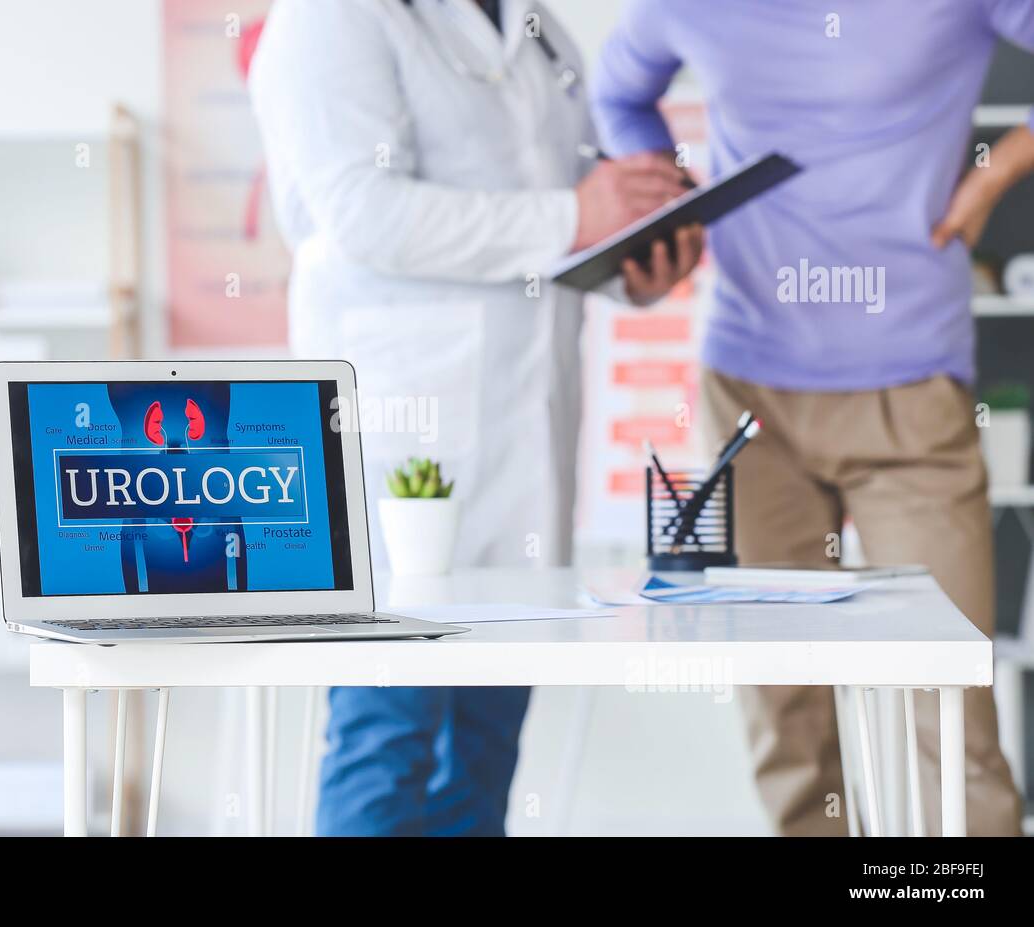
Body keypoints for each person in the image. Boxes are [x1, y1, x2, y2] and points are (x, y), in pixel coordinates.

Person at [250, 0, 702, 836]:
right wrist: (577, 216)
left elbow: (551, 217)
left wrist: (633, 261)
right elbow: (357, 207)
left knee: (489, 744)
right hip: (399, 433)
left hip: (527, 442)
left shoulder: (537, 29)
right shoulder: (333, 17)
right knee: (388, 733)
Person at [592, 0, 1034, 836]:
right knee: (787, 716)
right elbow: (618, 94)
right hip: (747, 392)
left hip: (912, 386)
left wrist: (995, 172)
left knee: (949, 717)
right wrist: (661, 197)